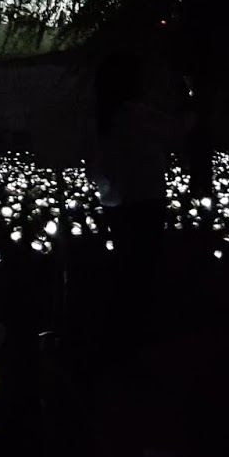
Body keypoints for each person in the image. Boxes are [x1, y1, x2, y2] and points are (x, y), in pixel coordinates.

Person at [88, 51, 187, 331]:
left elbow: (95, 164)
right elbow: (176, 133)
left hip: (115, 202)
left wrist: (106, 189)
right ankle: (140, 323)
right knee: (144, 266)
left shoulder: (101, 118)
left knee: (124, 263)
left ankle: (121, 320)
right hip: (145, 199)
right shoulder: (137, 114)